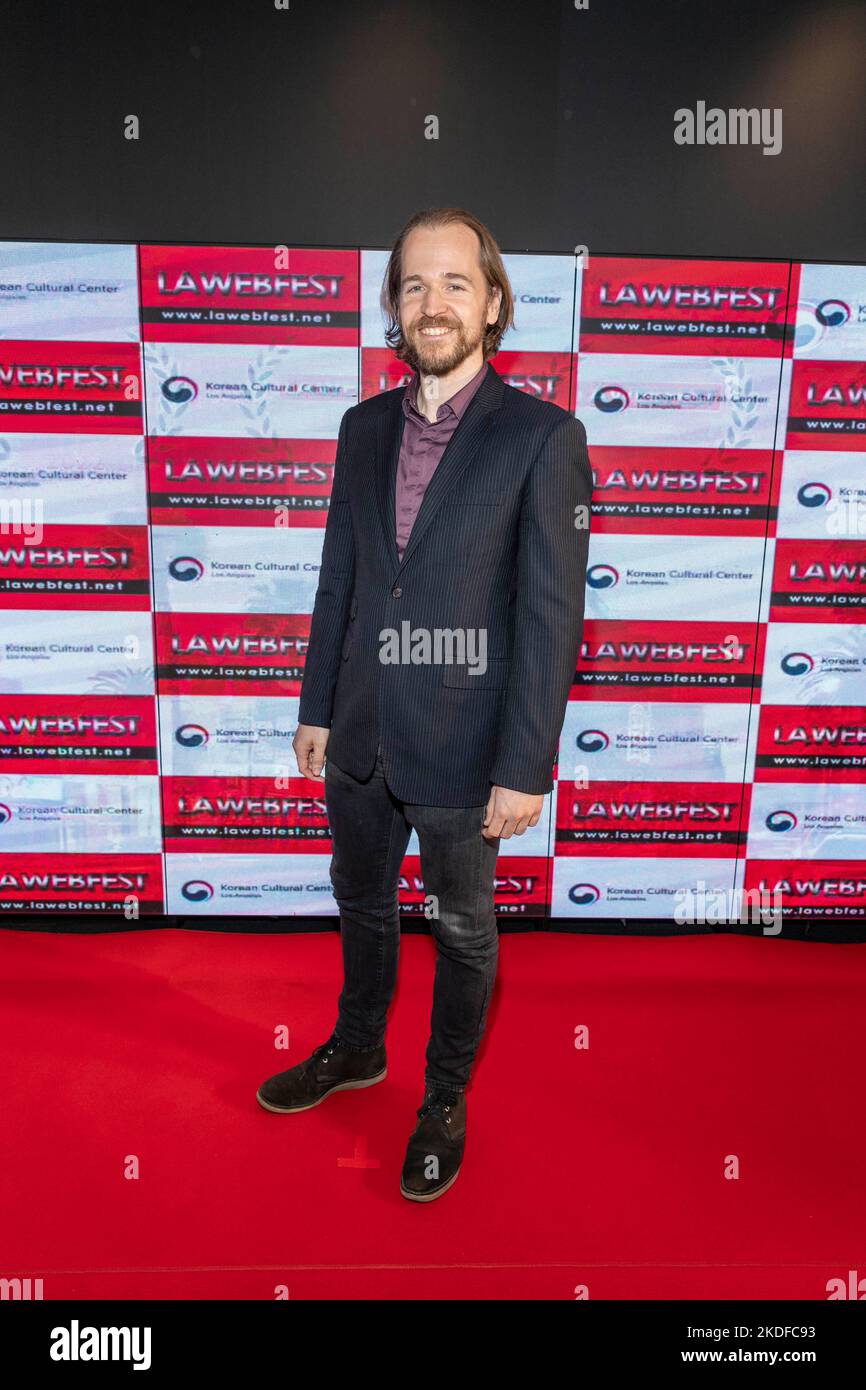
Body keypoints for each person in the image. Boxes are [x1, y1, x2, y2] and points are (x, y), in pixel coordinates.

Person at [257, 207, 592, 1202]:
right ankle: (358, 1048)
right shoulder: (361, 428)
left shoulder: (542, 436)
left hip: (465, 749)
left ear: (491, 303)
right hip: (358, 734)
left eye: (454, 283)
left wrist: (523, 764)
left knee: (458, 929)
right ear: (391, 307)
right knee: (360, 904)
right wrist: (316, 703)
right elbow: (338, 580)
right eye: (413, 284)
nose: (431, 303)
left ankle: (442, 1096)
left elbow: (548, 616)